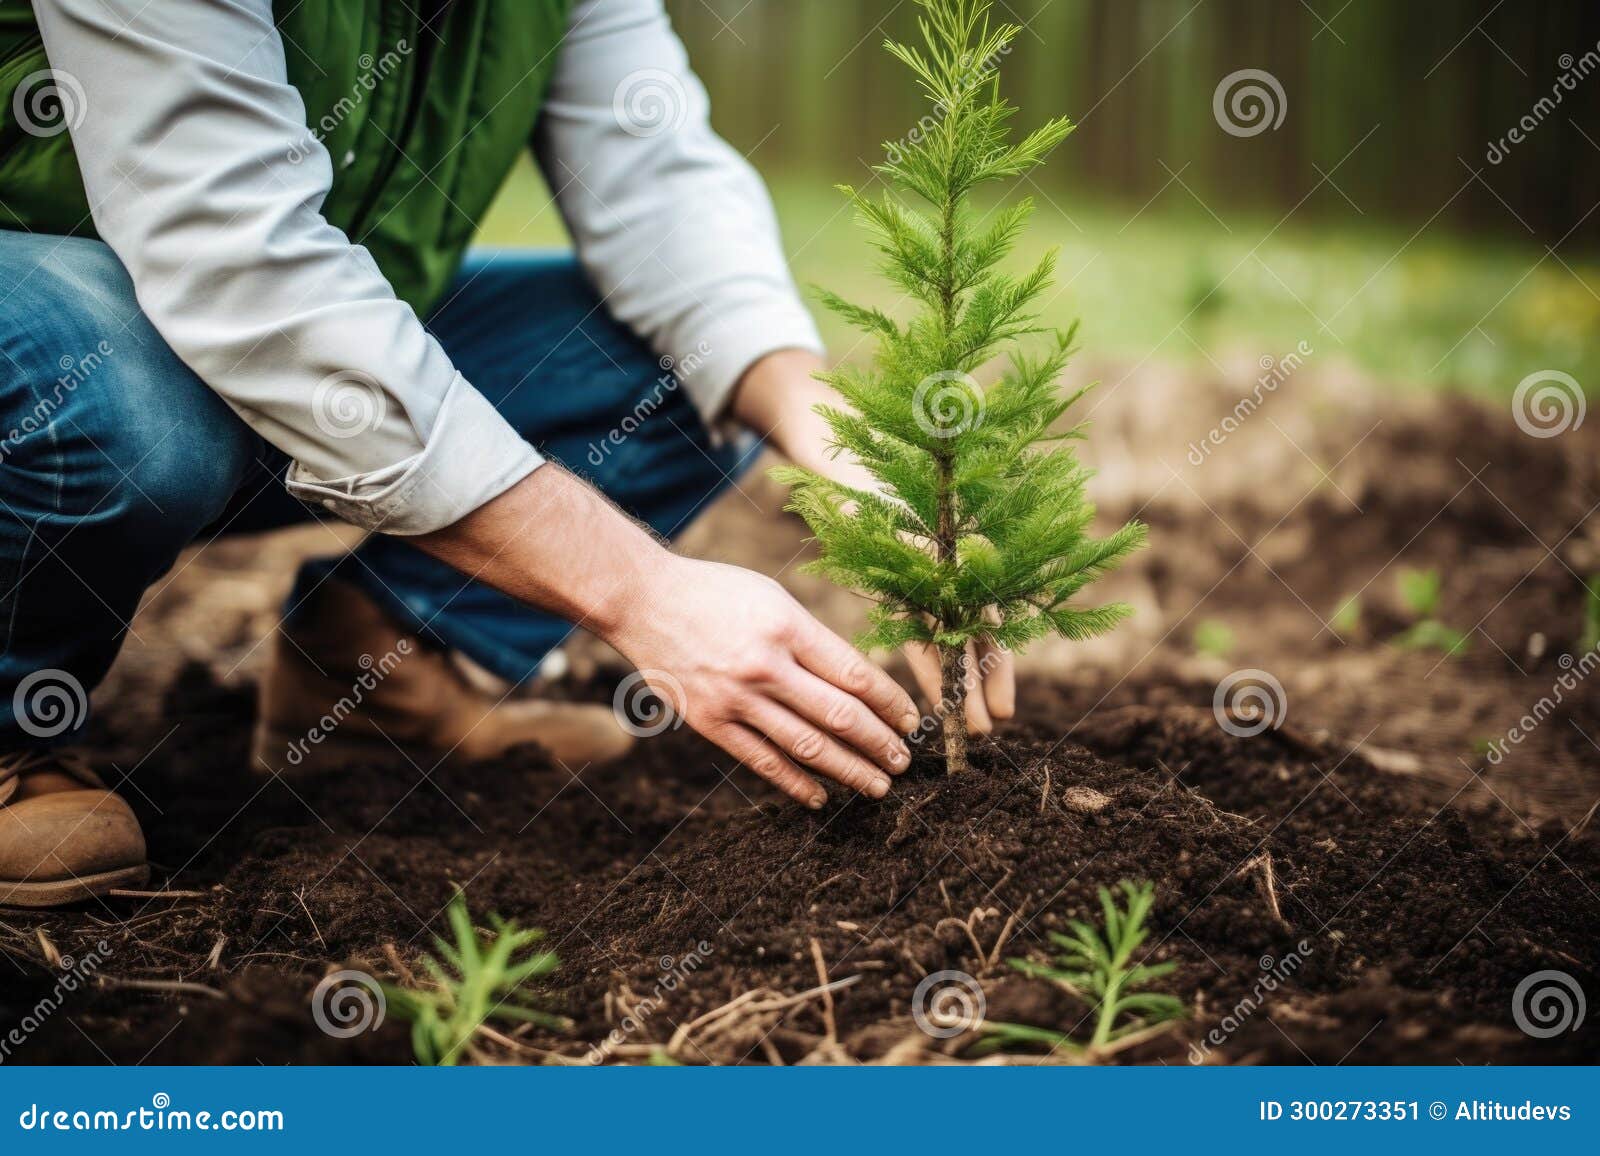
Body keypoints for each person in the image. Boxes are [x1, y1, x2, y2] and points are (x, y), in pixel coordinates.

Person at [0, 0, 1013, 908]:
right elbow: (237, 266)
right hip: (80, 348)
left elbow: (659, 185)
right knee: (109, 394)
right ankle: (17, 726)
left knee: (671, 367)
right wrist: (641, 593)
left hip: (262, 352)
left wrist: (840, 452)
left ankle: (378, 671)